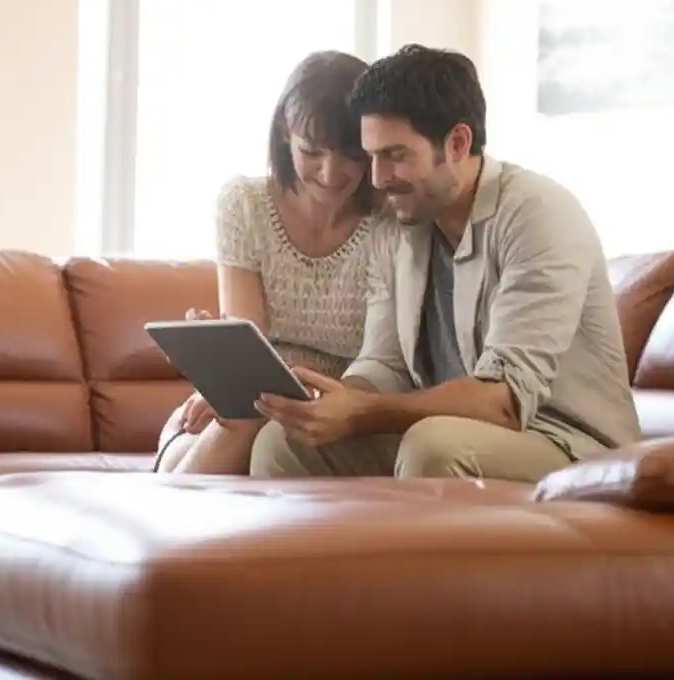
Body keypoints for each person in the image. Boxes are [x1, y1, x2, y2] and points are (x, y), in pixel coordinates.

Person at [251, 44, 641, 481]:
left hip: (566, 444)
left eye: (395, 156)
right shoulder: (401, 224)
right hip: (449, 431)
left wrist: (362, 411)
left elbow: (503, 402)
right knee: (284, 441)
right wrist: (328, 401)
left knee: (432, 445)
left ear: (457, 143)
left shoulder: (537, 215)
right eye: (372, 156)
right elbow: (384, 364)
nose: (378, 179)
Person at [154, 50, 387, 475]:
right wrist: (217, 358)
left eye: (351, 154)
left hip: (335, 403)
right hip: (254, 393)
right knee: (181, 450)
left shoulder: (388, 224)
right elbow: (249, 333)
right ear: (284, 131)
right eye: (312, 151)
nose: (331, 172)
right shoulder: (245, 204)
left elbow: (381, 358)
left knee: (242, 425)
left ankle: (173, 524)